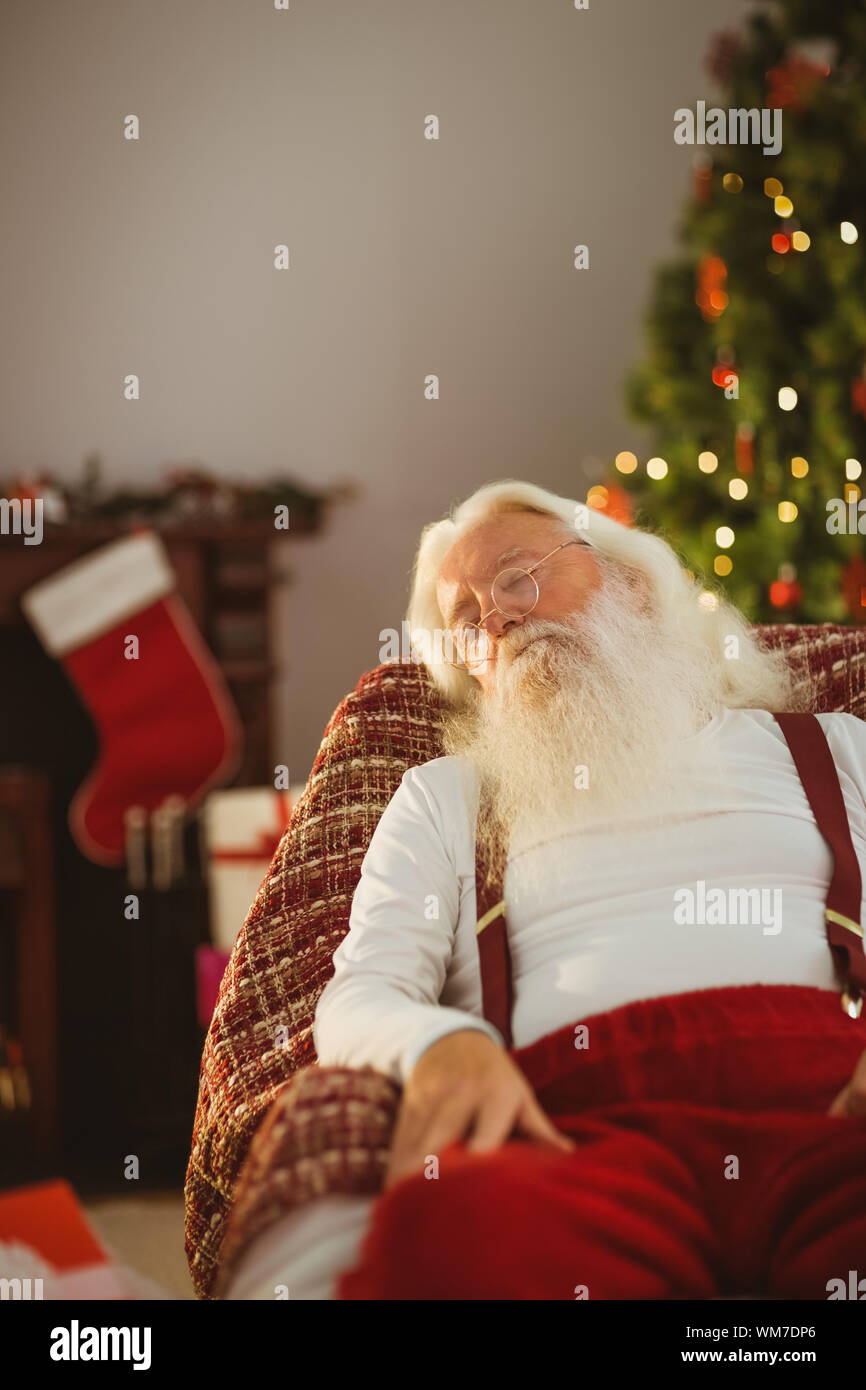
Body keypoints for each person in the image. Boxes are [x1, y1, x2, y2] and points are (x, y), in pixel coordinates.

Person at [226, 479, 866, 1300]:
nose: (494, 620)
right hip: (575, 1141)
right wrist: (439, 1046)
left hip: (830, 1110)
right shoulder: (443, 798)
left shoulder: (833, 748)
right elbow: (362, 993)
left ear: (631, 584)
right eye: (467, 622)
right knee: (452, 1227)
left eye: (518, 577)